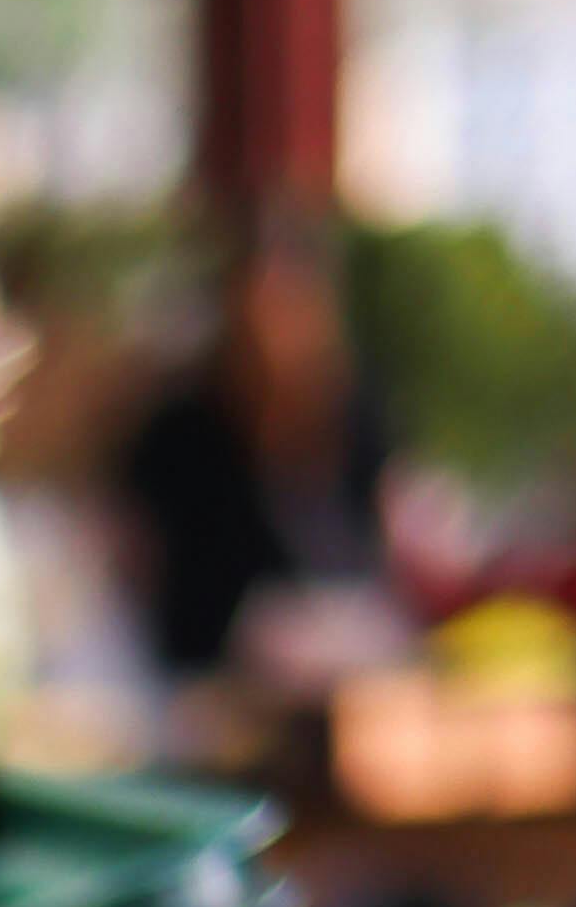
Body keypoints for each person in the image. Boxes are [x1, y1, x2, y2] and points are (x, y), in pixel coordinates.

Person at [111, 203, 404, 690]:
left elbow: (381, 561)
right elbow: (140, 577)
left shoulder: (359, 421)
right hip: (200, 697)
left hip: (339, 690)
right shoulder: (179, 433)